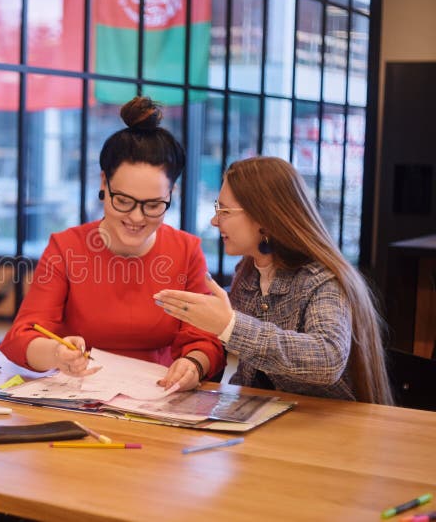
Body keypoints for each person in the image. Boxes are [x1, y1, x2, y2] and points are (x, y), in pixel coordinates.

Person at [0, 97, 225, 390]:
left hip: (159, 396)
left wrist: (193, 364)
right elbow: (23, 335)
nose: (136, 217)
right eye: (123, 201)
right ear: (104, 183)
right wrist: (57, 354)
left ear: (172, 192)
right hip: (80, 395)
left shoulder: (186, 251)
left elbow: (204, 339)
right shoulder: (67, 248)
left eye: (154, 205)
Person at [153, 156, 394, 404]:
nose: (214, 221)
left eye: (224, 211)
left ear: (264, 218)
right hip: (261, 417)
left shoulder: (322, 279)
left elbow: (327, 358)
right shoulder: (248, 272)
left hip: (327, 426)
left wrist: (231, 326)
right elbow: (234, 354)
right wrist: (194, 364)